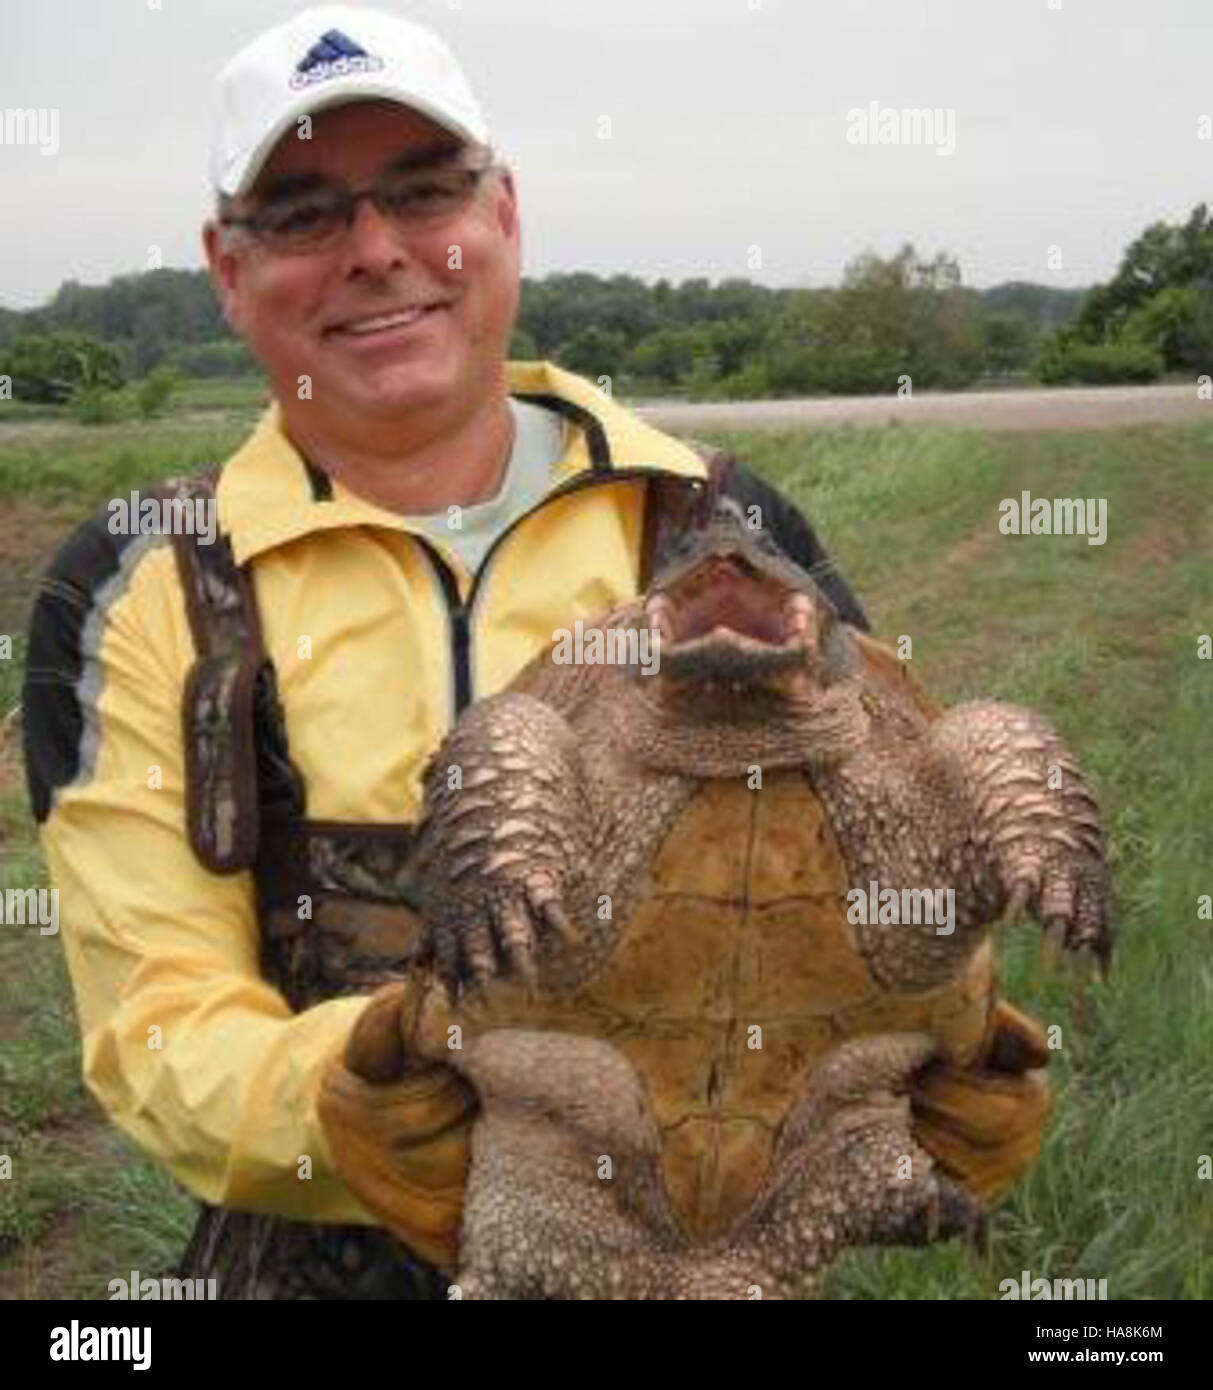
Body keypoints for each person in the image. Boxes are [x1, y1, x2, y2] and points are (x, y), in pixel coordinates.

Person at [22, 5, 1049, 1300]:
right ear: (226, 271)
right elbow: (157, 1017)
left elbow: (900, 843)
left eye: (422, 190)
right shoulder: (144, 581)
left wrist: (929, 1051)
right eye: (303, 213)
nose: (376, 251)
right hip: (314, 1256)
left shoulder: (714, 528)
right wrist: (366, 1102)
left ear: (503, 213)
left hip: (704, 1225)